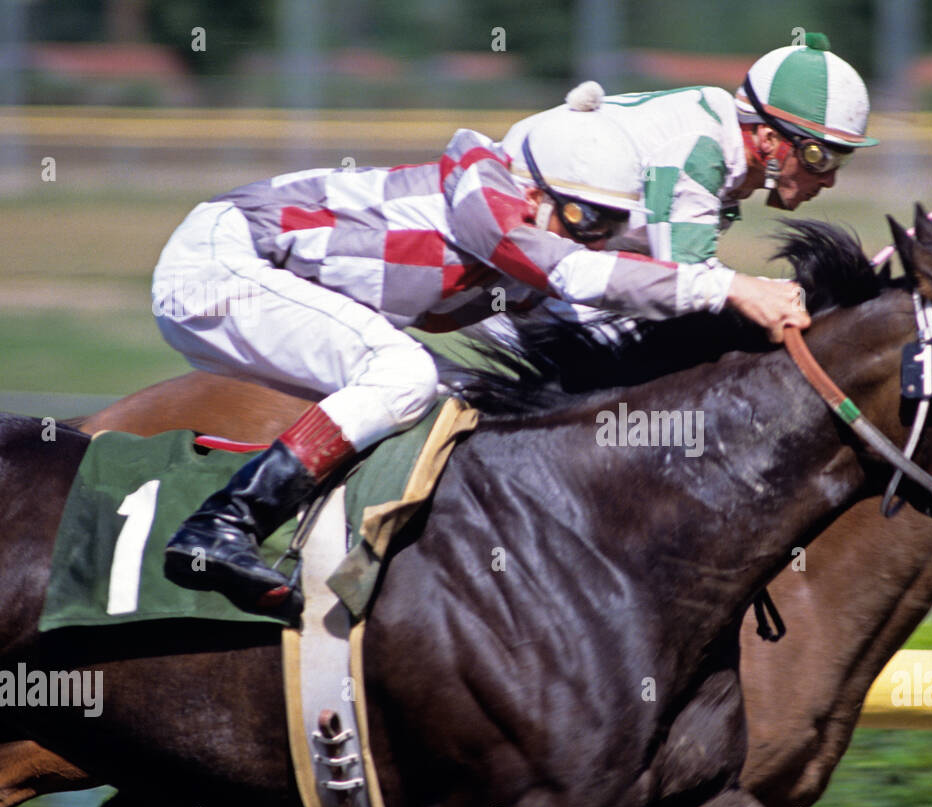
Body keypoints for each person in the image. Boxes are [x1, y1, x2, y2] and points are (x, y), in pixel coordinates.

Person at [153, 87, 809, 622]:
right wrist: (732, 286)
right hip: (217, 268)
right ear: (534, 196)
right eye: (586, 222)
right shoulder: (489, 211)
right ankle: (221, 526)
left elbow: (601, 346)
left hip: (255, 272)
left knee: (456, 400)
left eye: (610, 226)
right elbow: (578, 276)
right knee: (402, 373)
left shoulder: (525, 232)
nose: (598, 240)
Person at [501, 32, 878, 270]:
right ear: (768, 139)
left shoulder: (722, 150)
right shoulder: (703, 150)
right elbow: (685, 284)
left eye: (842, 159)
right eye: (820, 157)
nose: (829, 179)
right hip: (504, 229)